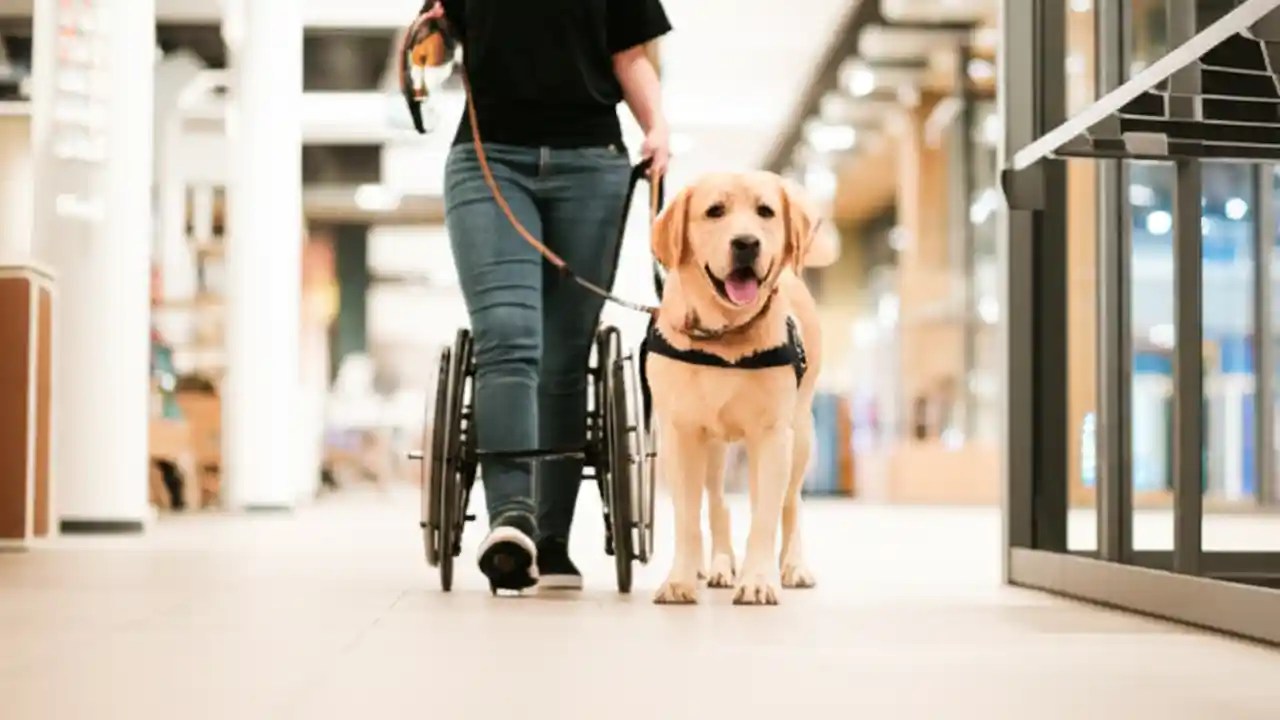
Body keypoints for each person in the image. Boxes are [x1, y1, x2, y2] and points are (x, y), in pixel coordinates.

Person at [420, 0, 672, 592]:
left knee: (564, 354)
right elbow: (432, 47)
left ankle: (553, 541)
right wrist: (426, 39)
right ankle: (513, 521)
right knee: (509, 336)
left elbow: (629, 54)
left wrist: (657, 125)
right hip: (489, 161)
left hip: (592, 165)